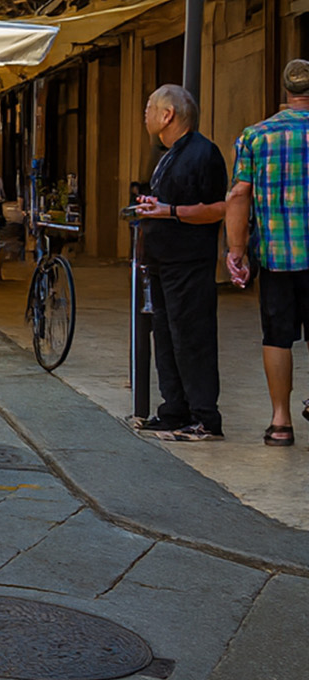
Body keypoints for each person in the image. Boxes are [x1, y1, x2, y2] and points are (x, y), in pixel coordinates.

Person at [131, 84, 228, 442]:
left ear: (167, 114)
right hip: (162, 262)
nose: (146, 115)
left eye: (149, 107)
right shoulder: (167, 154)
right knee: (167, 336)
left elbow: (221, 207)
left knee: (193, 338)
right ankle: (175, 409)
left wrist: (169, 210)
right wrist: (152, 205)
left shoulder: (204, 153)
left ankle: (205, 416)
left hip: (189, 262)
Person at [226, 60, 309, 446]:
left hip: (277, 256)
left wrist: (237, 250)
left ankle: (281, 422)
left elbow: (240, 194)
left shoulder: (256, 137)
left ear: (285, 92)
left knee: (277, 336)